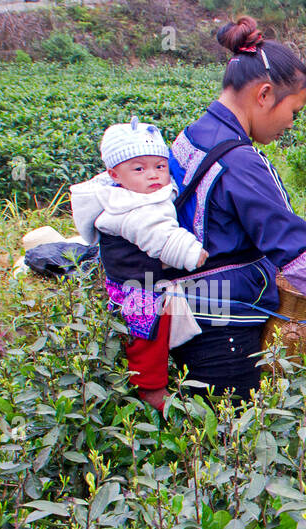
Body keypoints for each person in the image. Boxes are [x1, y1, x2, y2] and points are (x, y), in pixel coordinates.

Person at [161, 16, 306, 408]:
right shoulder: (240, 159)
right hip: (225, 328)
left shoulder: (197, 132)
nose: (291, 124)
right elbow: (293, 254)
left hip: (191, 313)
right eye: (294, 111)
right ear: (264, 94)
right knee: (231, 446)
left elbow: (234, 219)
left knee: (207, 438)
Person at [70, 118, 208, 411]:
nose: (153, 175)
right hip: (142, 292)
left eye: (160, 166)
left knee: (149, 336)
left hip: (132, 282)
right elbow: (160, 237)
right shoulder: (131, 208)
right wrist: (193, 253)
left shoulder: (131, 195)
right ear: (114, 174)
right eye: (139, 168)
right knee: (149, 341)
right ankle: (153, 395)